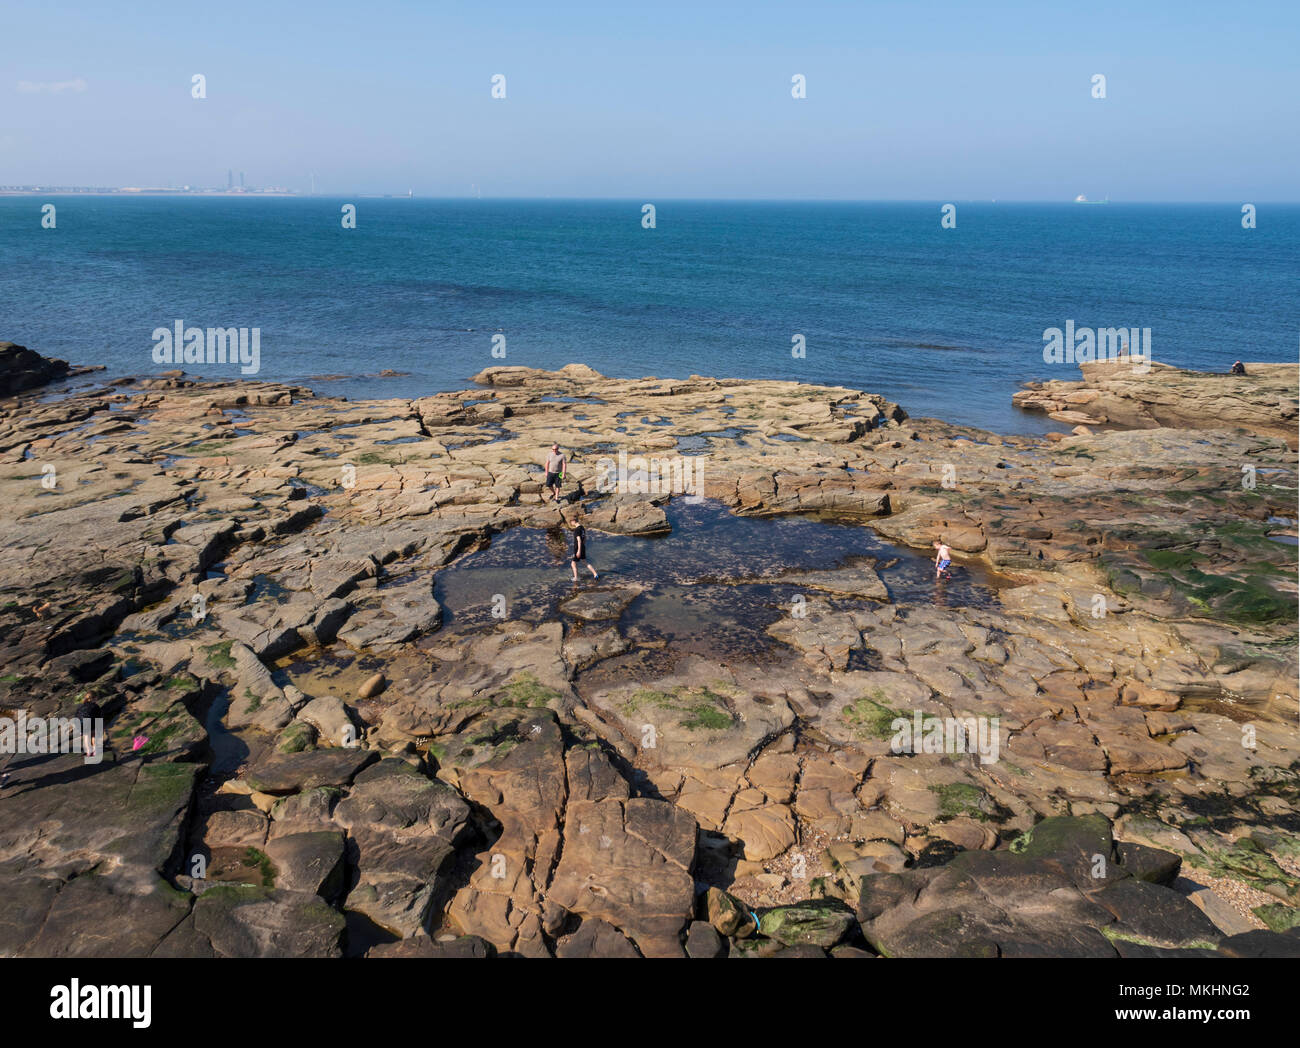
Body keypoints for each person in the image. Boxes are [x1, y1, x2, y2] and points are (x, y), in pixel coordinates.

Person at [566, 515, 598, 582]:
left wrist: (579, 551)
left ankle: (575, 578)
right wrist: (583, 546)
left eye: (571, 522)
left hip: (578, 548)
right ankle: (595, 574)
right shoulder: (582, 528)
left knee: (573, 563)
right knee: (585, 562)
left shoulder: (577, 530)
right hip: (582, 547)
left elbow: (579, 540)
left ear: (573, 521)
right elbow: (585, 537)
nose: (571, 524)